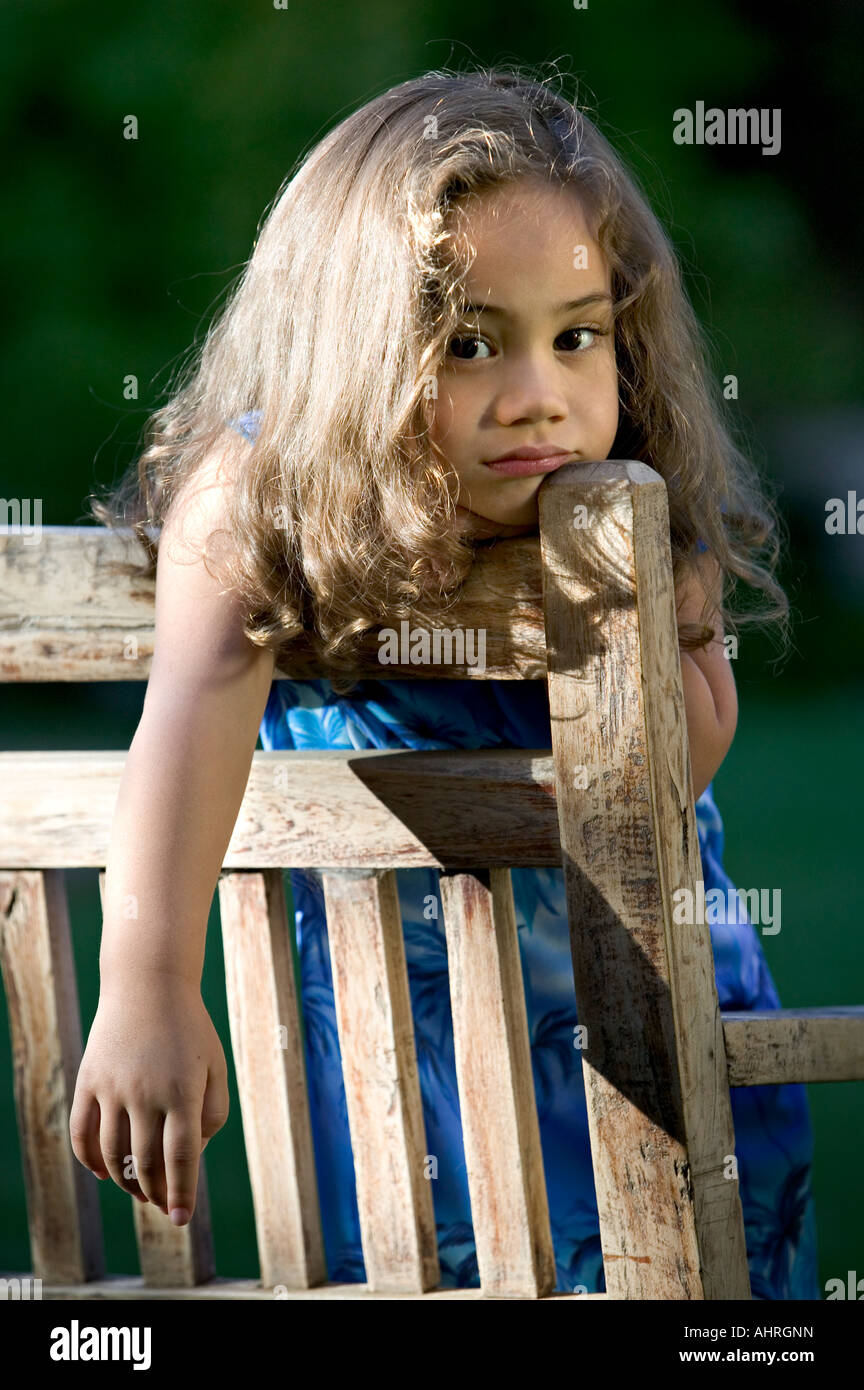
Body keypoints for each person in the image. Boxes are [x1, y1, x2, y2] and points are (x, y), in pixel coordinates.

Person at [72, 65, 819, 1298]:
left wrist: (651, 586)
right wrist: (146, 984)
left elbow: (675, 769)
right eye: (470, 343)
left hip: (653, 1076)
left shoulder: (628, 495)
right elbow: (192, 704)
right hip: (396, 1094)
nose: (540, 397)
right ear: (347, 349)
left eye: (579, 335)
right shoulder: (262, 494)